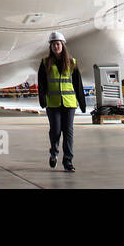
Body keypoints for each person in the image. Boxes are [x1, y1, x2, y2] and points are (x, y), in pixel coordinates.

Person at [37, 31, 86, 172]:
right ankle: (54, 153)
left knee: (68, 132)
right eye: (53, 45)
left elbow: (78, 84)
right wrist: (42, 99)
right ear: (50, 47)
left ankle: (68, 161)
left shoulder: (72, 63)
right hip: (53, 104)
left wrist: (82, 103)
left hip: (69, 103)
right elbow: (42, 83)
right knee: (56, 131)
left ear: (63, 45)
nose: (55, 47)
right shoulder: (45, 63)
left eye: (57, 44)